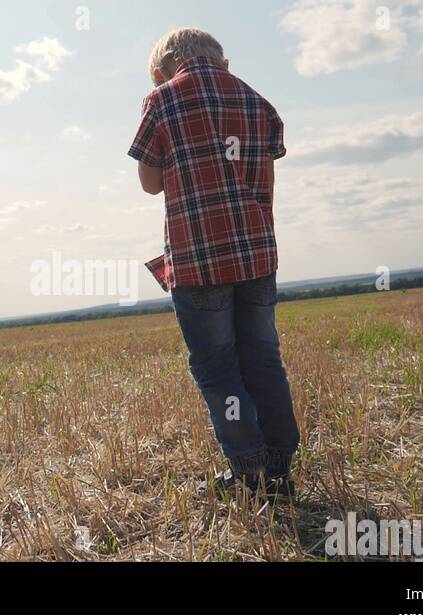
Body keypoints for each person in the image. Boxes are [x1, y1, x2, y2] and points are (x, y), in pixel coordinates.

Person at [128, 28, 299, 499]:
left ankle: (249, 471)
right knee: (264, 359)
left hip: (198, 259)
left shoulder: (161, 100)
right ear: (222, 61)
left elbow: (150, 183)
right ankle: (280, 463)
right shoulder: (257, 100)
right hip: (258, 255)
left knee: (217, 367)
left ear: (165, 67)